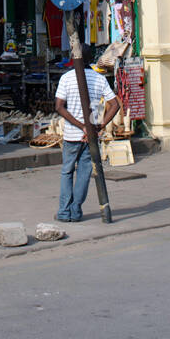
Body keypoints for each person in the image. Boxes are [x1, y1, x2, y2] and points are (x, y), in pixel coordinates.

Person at [54, 44, 120, 223]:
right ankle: (75, 211)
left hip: (72, 134)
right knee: (83, 173)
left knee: (67, 171)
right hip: (90, 135)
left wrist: (80, 125)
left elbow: (59, 107)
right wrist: (99, 125)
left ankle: (64, 211)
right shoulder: (99, 79)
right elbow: (115, 104)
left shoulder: (67, 78)